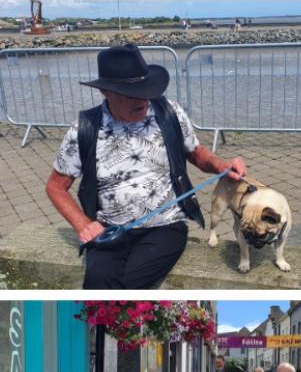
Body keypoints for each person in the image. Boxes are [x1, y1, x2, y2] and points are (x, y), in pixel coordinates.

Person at [45, 43, 247, 289]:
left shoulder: (170, 113)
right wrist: (84, 225)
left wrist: (222, 165)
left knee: (128, 284)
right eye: (132, 94)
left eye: (147, 91)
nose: (143, 100)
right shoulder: (84, 128)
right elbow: (55, 187)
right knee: (97, 281)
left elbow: (196, 153)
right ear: (106, 92)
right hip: (109, 228)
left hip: (165, 226)